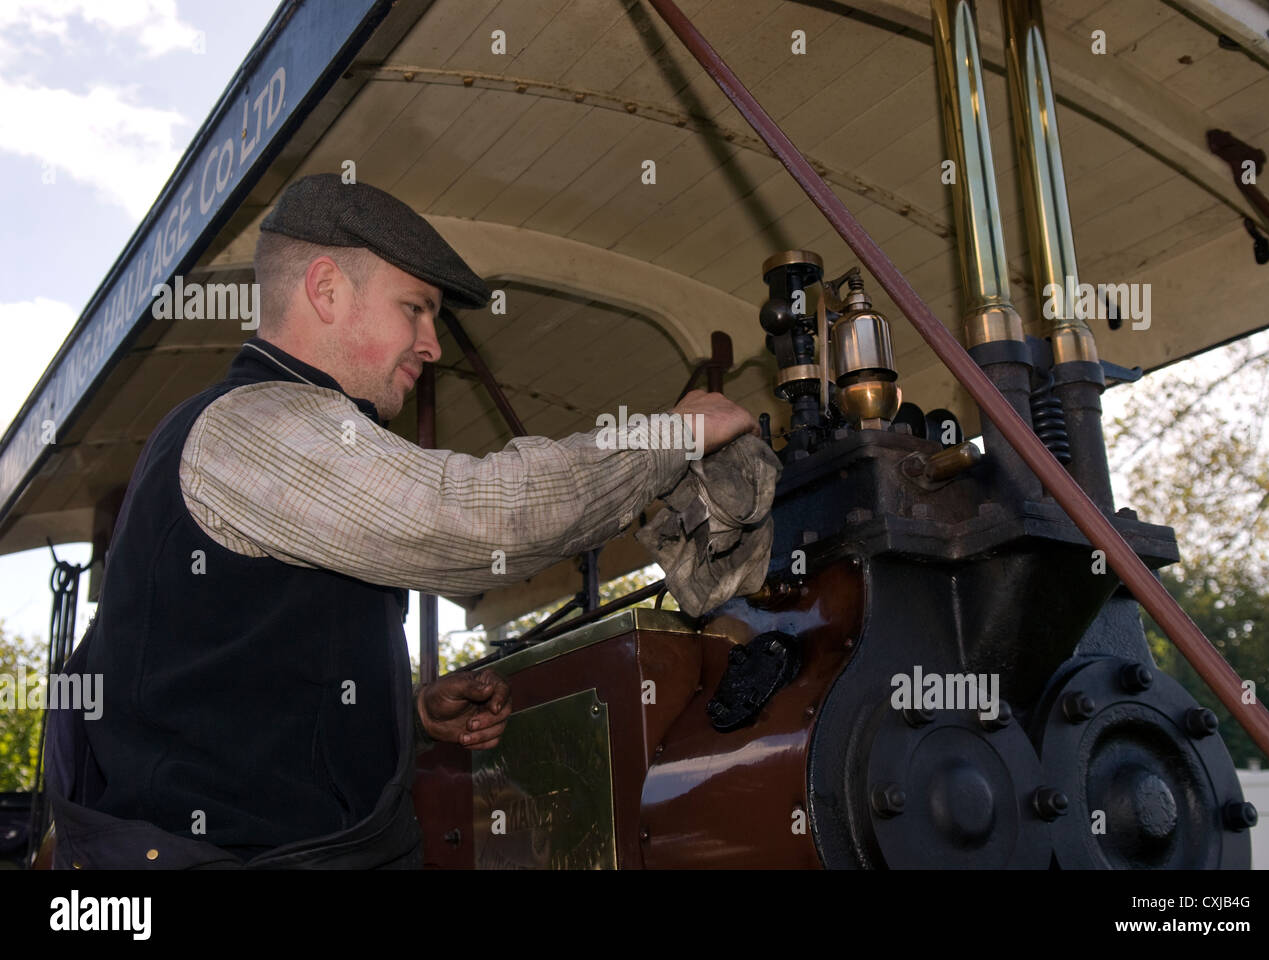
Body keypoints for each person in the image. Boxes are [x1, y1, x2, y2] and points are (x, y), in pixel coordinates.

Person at [44, 173, 759, 869]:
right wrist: (672, 436)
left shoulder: (267, 433)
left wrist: (397, 714)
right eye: (414, 309)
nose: (432, 344)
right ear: (325, 289)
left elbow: (236, 678)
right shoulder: (257, 426)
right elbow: (482, 521)